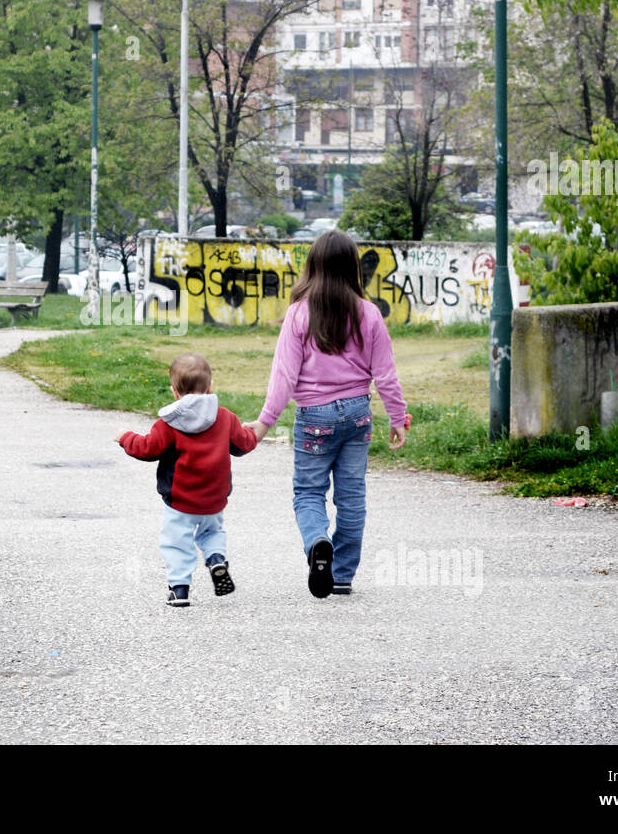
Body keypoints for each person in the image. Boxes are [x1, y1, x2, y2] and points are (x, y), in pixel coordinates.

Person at [245, 230, 408, 599]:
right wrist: (397, 417)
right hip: (357, 415)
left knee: (308, 492)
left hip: (314, 417)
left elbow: (285, 374)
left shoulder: (299, 313)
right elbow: (385, 373)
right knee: (351, 496)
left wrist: (265, 422)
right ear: (353, 267)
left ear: (313, 266)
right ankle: (343, 574)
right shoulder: (369, 314)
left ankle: (319, 542)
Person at [117, 353, 258, 607]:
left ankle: (179, 589)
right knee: (212, 531)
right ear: (210, 387)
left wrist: (125, 437)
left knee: (176, 542)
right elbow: (242, 445)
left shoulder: (169, 423)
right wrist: (253, 430)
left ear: (174, 392)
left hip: (180, 501)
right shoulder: (225, 418)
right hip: (214, 499)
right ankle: (216, 558)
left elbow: (147, 449)